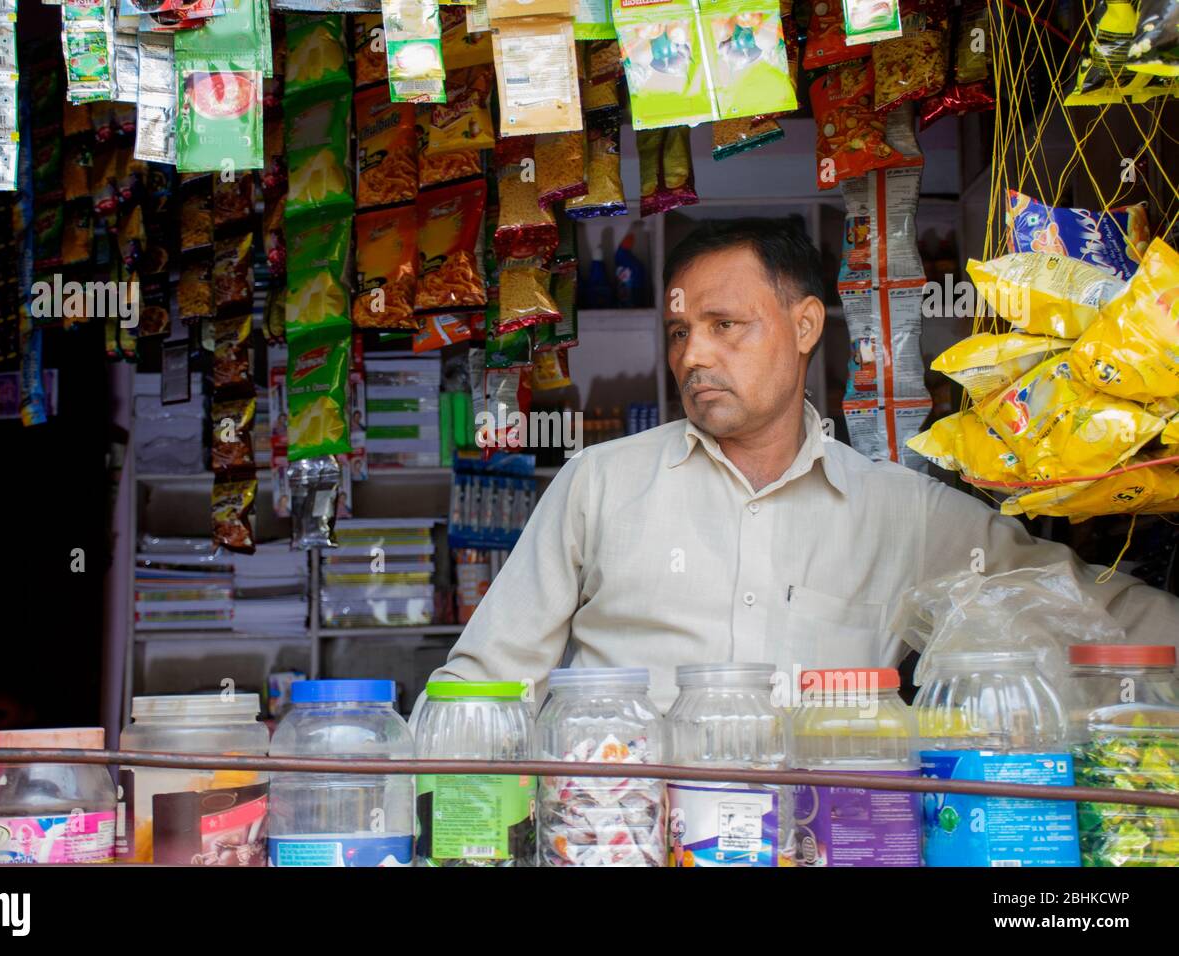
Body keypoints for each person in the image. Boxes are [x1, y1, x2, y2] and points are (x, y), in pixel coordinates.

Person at [415, 218, 1179, 715]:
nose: (693, 354)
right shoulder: (600, 483)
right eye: (679, 332)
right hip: (623, 836)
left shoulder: (903, 513)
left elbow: (1086, 608)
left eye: (724, 325)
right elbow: (483, 681)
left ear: (806, 324)